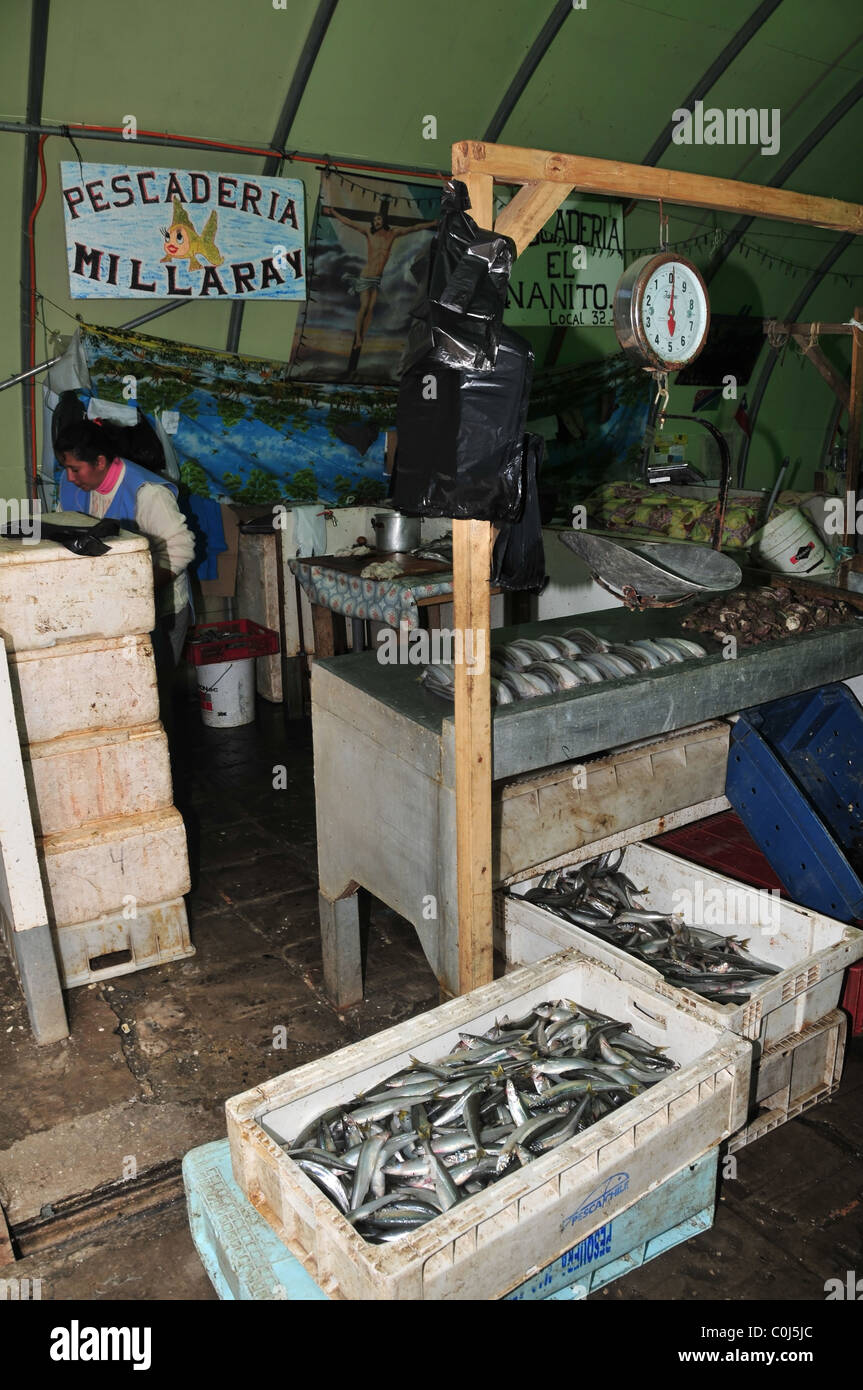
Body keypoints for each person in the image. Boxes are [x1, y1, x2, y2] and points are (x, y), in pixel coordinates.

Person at [54, 419, 196, 677]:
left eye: (76, 469)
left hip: (161, 611)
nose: (70, 477)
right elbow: (64, 529)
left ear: (100, 461)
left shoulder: (147, 493)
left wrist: (137, 590)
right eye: (66, 469)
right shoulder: (71, 484)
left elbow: (181, 548)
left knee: (156, 690)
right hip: (106, 607)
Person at [322, 200, 437, 377]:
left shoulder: (392, 234)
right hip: (366, 274)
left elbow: (414, 228)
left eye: (379, 220)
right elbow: (349, 223)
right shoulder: (369, 233)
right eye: (374, 220)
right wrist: (334, 213)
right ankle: (358, 337)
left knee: (370, 310)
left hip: (376, 278)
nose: (376, 222)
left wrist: (433, 224)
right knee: (364, 307)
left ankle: (361, 337)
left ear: (383, 221)